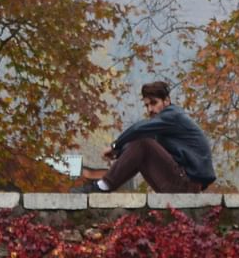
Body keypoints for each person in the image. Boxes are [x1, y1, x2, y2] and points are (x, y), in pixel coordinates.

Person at [77, 80, 215, 193]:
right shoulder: (165, 126)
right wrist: (119, 152)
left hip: (187, 183)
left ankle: (103, 186)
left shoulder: (173, 115)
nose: (150, 109)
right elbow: (136, 148)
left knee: (143, 141)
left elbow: (138, 129)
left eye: (154, 103)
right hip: (181, 183)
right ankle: (103, 186)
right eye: (147, 105)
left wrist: (115, 145)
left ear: (166, 101)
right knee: (141, 143)